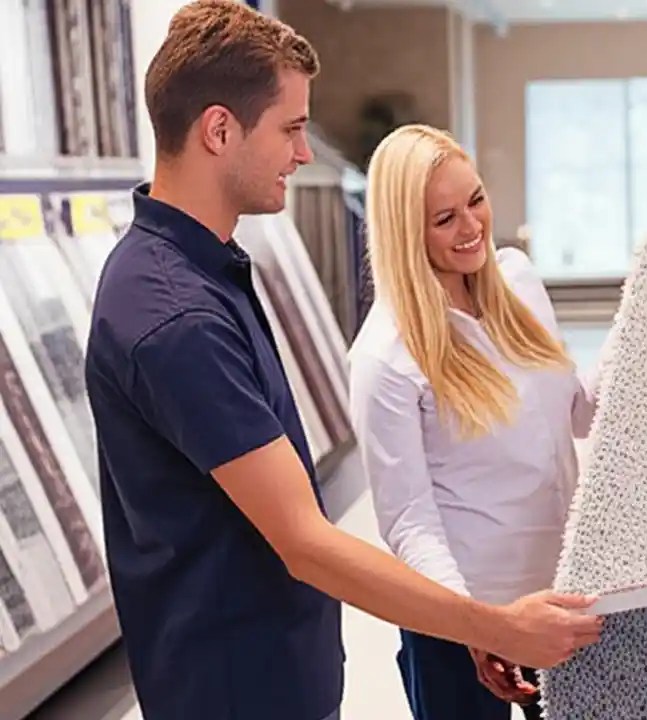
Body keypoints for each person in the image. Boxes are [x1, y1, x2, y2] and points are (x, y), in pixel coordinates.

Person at [83, 4, 600, 720]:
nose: (303, 153)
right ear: (219, 130)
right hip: (235, 687)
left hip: (270, 669)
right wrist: (493, 626)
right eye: (291, 128)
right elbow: (306, 542)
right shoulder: (177, 316)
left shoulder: (203, 275)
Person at [346, 124, 600, 720]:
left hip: (559, 605)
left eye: (476, 200)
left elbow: (578, 413)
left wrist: (643, 338)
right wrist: (477, 628)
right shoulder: (384, 356)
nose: (472, 228)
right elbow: (409, 521)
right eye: (444, 219)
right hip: (461, 622)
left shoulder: (516, 280)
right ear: (405, 231)